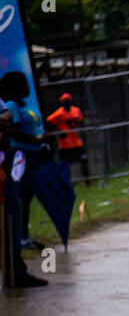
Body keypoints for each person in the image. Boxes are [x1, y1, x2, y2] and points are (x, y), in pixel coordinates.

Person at [0, 71, 48, 287]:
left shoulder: (12, 104)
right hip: (16, 158)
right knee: (15, 204)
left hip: (14, 159)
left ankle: (15, 266)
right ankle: (14, 269)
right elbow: (8, 124)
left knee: (18, 204)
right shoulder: (11, 103)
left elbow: (5, 117)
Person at [46, 92, 89, 181]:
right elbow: (48, 122)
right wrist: (58, 132)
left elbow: (81, 121)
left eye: (68, 100)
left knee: (84, 160)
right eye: (64, 101)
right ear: (62, 103)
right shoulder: (58, 113)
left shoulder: (76, 110)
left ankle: (88, 182)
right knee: (66, 165)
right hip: (65, 145)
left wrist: (80, 126)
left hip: (77, 142)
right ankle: (68, 182)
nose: (66, 102)